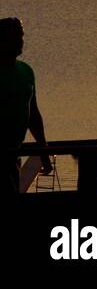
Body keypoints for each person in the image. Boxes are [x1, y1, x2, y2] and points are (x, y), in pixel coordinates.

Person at [1, 18, 52, 198]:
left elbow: (33, 116)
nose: (20, 40)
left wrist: (43, 151)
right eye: (15, 36)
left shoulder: (26, 72)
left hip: (14, 154)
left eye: (21, 35)